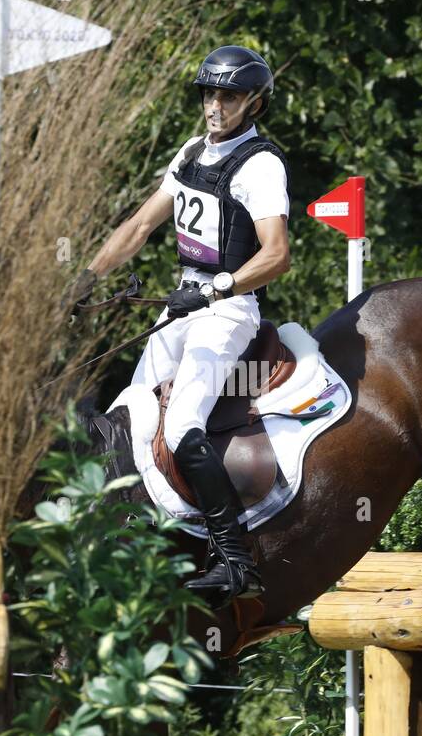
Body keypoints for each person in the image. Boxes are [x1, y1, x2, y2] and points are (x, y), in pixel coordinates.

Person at [70, 45, 291, 608]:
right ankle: (143, 536)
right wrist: (86, 277)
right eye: (209, 94)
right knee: (128, 416)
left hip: (228, 307)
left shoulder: (261, 165)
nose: (215, 106)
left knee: (182, 424)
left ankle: (234, 559)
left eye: (229, 96)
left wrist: (218, 287)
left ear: (254, 102)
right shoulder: (193, 151)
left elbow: (276, 255)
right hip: (183, 301)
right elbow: (142, 222)